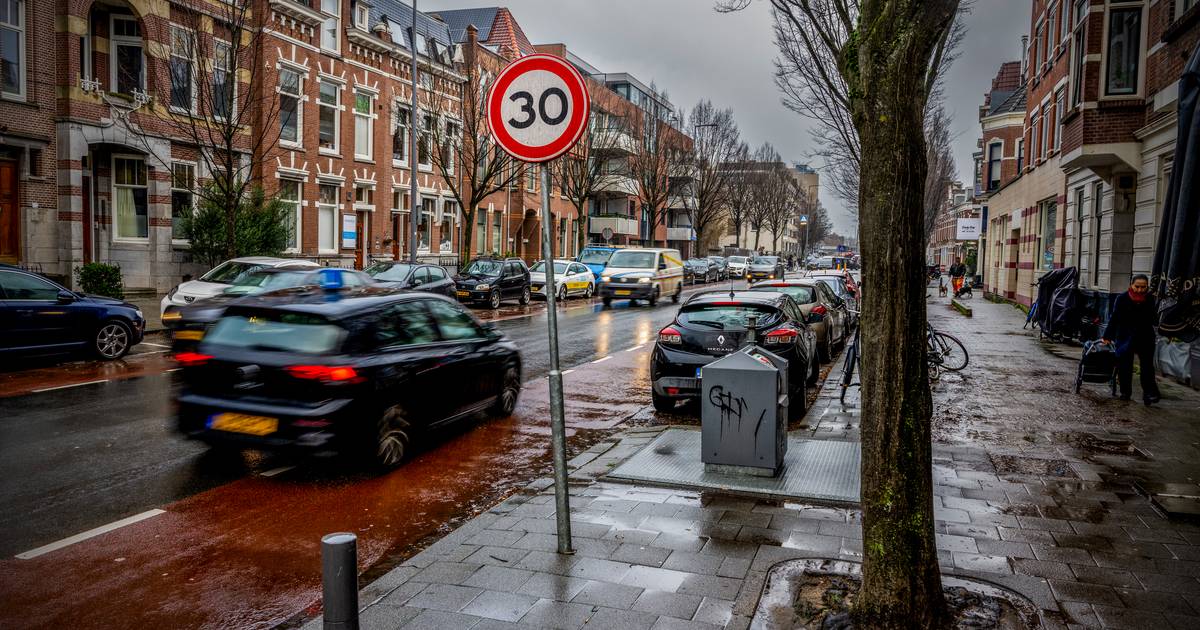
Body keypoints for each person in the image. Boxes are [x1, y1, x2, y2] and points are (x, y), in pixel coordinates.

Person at [1101, 275, 1161, 406]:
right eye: (1137, 287)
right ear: (1131, 285)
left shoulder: (1151, 299)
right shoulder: (1122, 298)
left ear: (1147, 287)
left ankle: (1149, 394)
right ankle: (1125, 392)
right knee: (1124, 365)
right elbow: (1114, 318)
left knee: (1147, 367)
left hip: (1145, 337)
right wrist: (1107, 337)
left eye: (1143, 287)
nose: (1140, 290)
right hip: (1125, 336)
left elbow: (1154, 319)